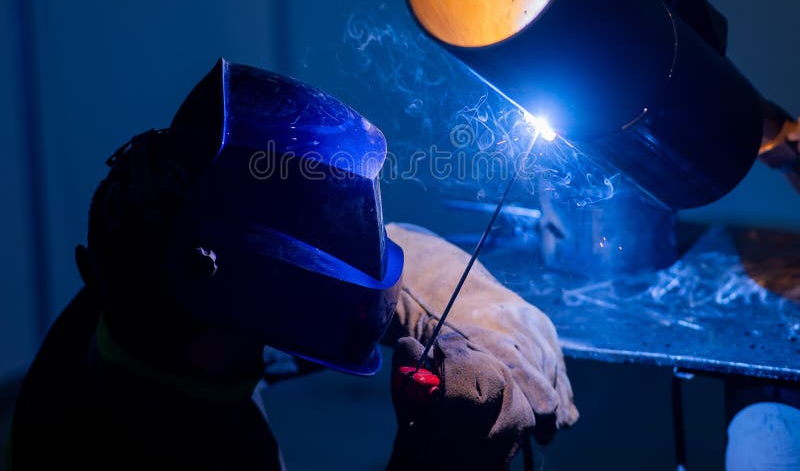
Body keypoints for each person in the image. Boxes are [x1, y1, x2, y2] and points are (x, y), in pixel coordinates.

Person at [8, 59, 577, 470]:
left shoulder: (140, 298)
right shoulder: (177, 448)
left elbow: (399, 252)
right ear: (258, 292)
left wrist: (487, 328)